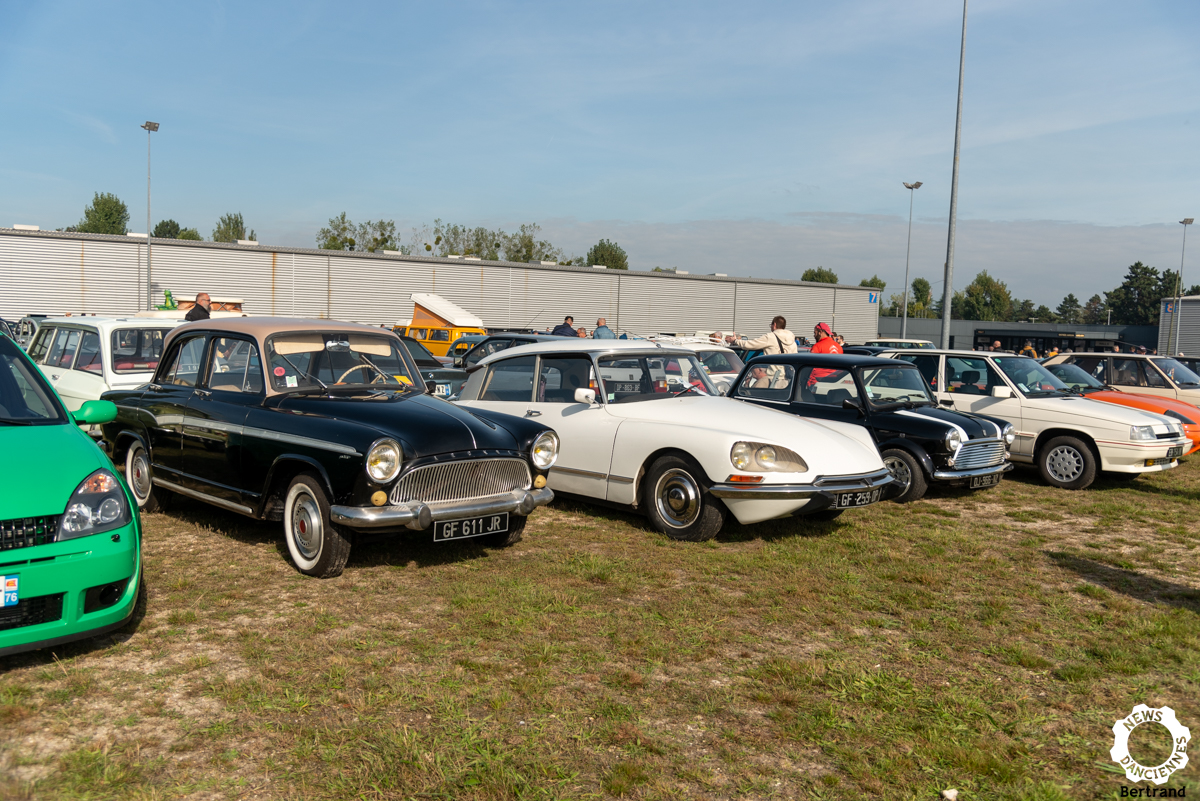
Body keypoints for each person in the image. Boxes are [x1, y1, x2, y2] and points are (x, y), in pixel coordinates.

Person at [725, 315, 798, 356]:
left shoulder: (770, 337)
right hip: (790, 376)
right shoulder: (792, 340)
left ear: (774, 325)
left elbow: (750, 344)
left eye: (771, 325)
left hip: (774, 377)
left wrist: (735, 340)